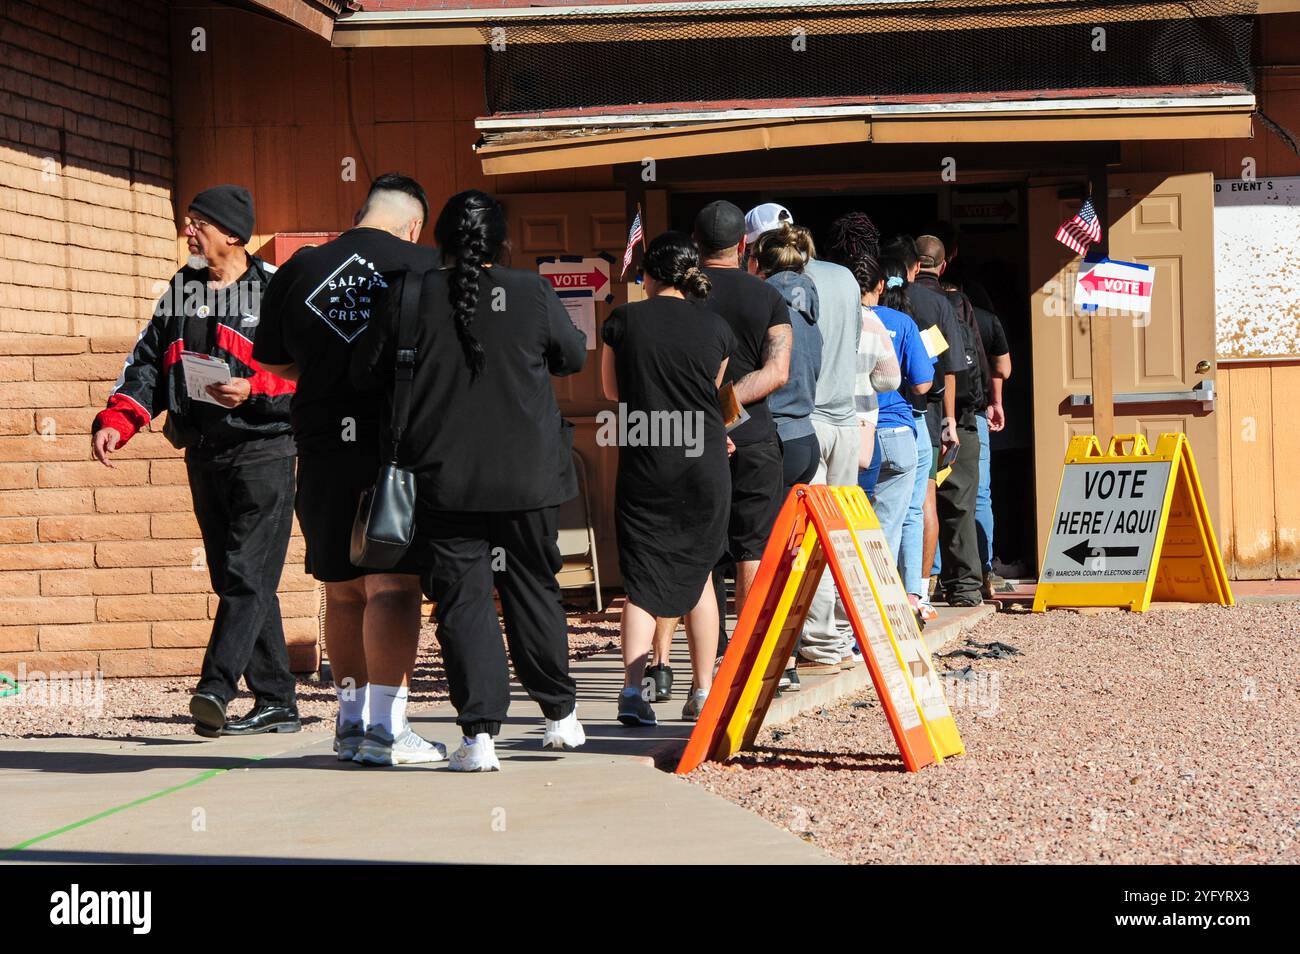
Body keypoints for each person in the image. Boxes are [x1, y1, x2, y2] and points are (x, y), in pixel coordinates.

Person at [351, 189, 587, 772]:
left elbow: (366, 373)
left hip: (442, 478)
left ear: (439, 240)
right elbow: (573, 357)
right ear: (501, 243)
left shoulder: (406, 294)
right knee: (536, 587)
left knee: (464, 603)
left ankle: (479, 738)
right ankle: (561, 717)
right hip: (529, 476)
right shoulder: (531, 291)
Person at [92, 185, 299, 738]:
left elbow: (312, 375)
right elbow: (145, 363)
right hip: (203, 454)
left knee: (246, 576)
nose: (188, 231)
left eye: (198, 222)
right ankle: (278, 699)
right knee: (238, 579)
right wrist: (119, 421)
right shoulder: (181, 289)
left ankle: (215, 687)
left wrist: (255, 388)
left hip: (266, 451)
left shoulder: (278, 290)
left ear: (233, 233)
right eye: (188, 221)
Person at [254, 173, 443, 766]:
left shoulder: (302, 267)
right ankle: (389, 729)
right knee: (394, 585)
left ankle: (352, 724)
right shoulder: (426, 266)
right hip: (399, 447)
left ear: (361, 213)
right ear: (414, 224)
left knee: (341, 590)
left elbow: (277, 364)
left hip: (321, 445)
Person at [601, 232, 735, 725]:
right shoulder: (717, 327)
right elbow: (713, 393)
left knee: (642, 579)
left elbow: (613, 390)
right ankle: (701, 692)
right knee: (699, 572)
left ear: (648, 275)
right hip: (703, 460)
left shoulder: (624, 320)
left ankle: (633, 692)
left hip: (646, 455)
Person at [696, 201, 791, 650]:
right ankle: (750, 651)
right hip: (754, 437)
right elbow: (778, 372)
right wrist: (728, 404)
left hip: (692, 437)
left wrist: (708, 409)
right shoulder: (768, 295)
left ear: (696, 245)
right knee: (752, 547)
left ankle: (708, 646)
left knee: (705, 548)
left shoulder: (684, 293)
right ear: (742, 244)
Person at [890, 234, 963, 619]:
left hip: (878, 416)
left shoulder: (878, 302)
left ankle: (887, 589)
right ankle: (920, 589)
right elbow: (948, 370)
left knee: (883, 508)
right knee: (922, 504)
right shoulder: (937, 304)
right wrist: (949, 420)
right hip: (924, 414)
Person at [915, 234, 983, 606]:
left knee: (908, 505)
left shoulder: (894, 299)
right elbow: (954, 367)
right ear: (942, 266)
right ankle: (965, 588)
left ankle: (908, 587)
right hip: (947, 412)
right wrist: (952, 421)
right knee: (956, 501)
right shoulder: (948, 304)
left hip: (902, 411)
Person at [853, 255, 930, 557]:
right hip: (896, 428)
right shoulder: (901, 322)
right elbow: (920, 383)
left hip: (855, 432)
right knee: (890, 525)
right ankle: (884, 595)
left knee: (850, 521)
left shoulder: (837, 319)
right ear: (880, 285)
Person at [746, 222, 822, 496]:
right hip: (806, 437)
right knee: (790, 537)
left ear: (758, 264)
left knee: (764, 536)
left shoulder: (765, 308)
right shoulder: (807, 311)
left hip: (778, 437)